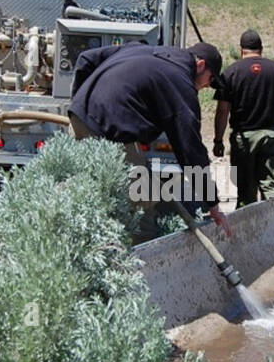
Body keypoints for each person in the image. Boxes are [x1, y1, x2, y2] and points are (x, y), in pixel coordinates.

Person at [69, 40, 232, 236]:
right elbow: (191, 151)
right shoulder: (181, 83)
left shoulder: (142, 49)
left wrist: (79, 105)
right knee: (143, 195)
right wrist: (212, 203)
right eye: (211, 80)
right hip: (104, 131)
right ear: (201, 65)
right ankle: (140, 259)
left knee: (103, 190)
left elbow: (85, 58)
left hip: (82, 118)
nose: (208, 86)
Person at [212, 29, 274, 208]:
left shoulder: (231, 73)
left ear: (241, 49)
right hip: (272, 136)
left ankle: (247, 230)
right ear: (261, 48)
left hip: (244, 139)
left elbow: (222, 111)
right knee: (271, 187)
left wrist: (218, 140)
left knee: (245, 190)